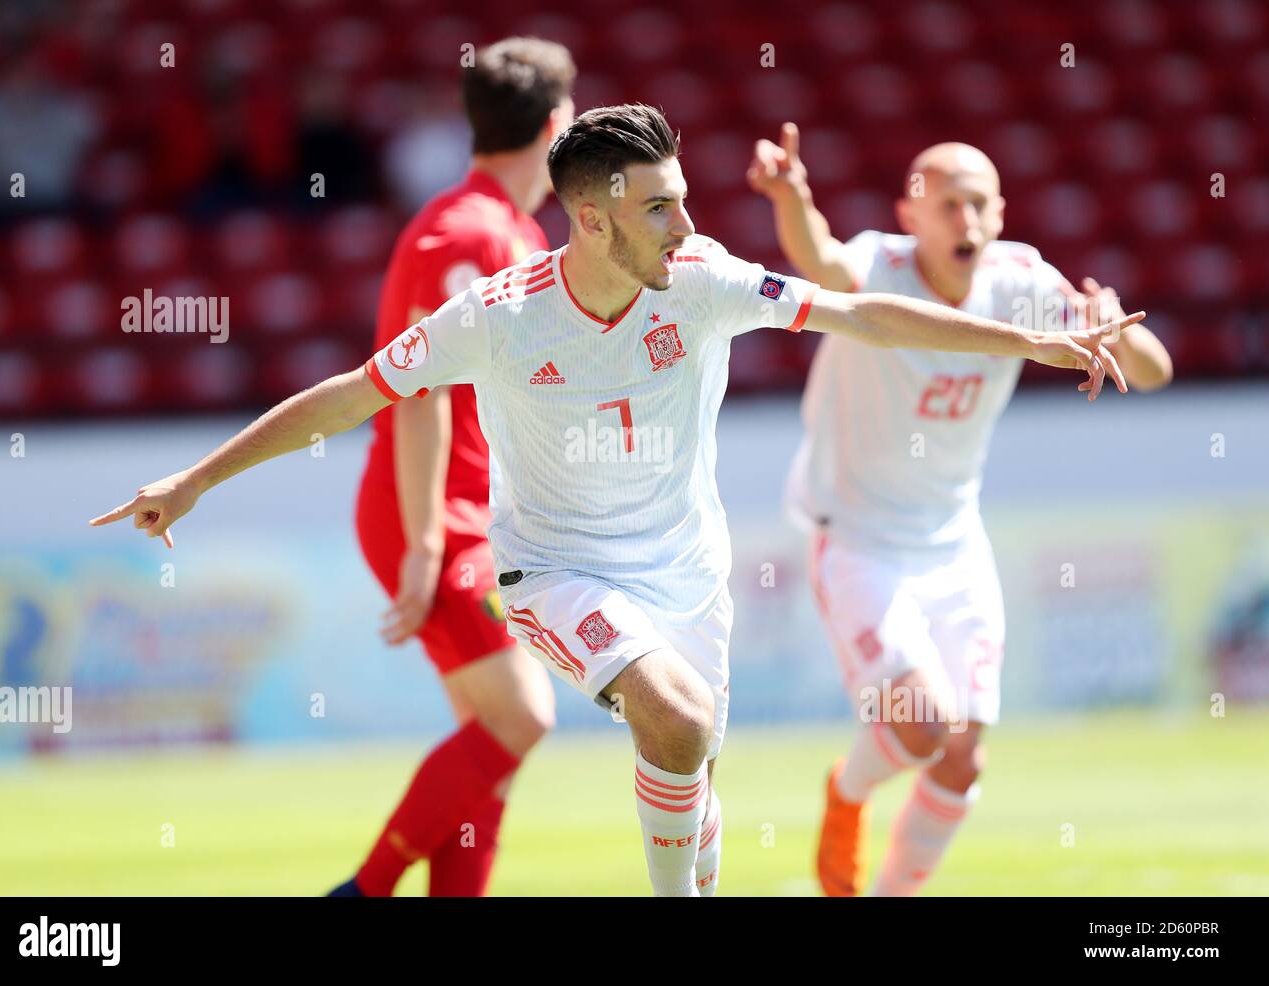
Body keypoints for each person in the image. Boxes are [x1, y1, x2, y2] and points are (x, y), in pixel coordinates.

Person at [90, 104, 1142, 897]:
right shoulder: (496, 315)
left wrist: (1034, 340)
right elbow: (350, 396)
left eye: (681, 196)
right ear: (590, 221)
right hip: (554, 569)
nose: (687, 219)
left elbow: (868, 313)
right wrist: (192, 480)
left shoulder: (706, 278)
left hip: (687, 575)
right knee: (676, 724)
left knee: (696, 787)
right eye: (660, 205)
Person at [747, 125, 1173, 896]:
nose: (966, 222)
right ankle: (846, 792)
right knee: (920, 726)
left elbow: (1152, 371)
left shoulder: (1023, 283)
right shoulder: (881, 263)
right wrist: (792, 196)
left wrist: (1112, 327)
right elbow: (821, 260)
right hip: (858, 539)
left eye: (979, 205)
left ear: (1002, 213)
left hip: (951, 542)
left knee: (962, 754)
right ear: (912, 214)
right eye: (948, 205)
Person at [339, 37, 575, 897]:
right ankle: (361, 890)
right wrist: (426, 539)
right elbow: (418, 386)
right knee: (523, 715)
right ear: (556, 125)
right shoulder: (464, 232)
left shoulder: (510, 230)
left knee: (489, 758)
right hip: (433, 510)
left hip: (468, 509)